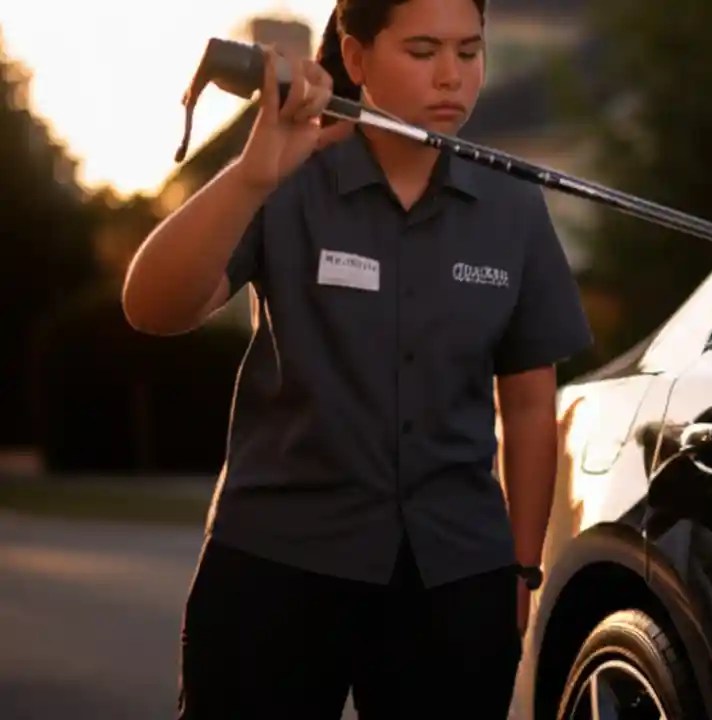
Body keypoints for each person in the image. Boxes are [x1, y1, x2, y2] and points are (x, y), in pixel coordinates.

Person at [120, 0, 593, 716]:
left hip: (456, 576)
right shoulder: (285, 176)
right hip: (275, 563)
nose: (451, 78)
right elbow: (151, 308)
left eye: (469, 53)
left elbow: (529, 406)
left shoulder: (515, 207)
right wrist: (253, 175)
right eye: (423, 50)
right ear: (358, 55)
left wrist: (521, 570)